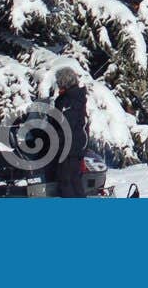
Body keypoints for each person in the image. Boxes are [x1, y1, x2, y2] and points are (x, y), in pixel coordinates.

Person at [53, 67, 89, 198]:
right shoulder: (65, 98)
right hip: (68, 146)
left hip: (70, 147)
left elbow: (66, 124)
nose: (57, 84)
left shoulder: (71, 99)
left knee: (68, 181)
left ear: (64, 82)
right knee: (68, 180)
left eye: (59, 81)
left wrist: (55, 137)